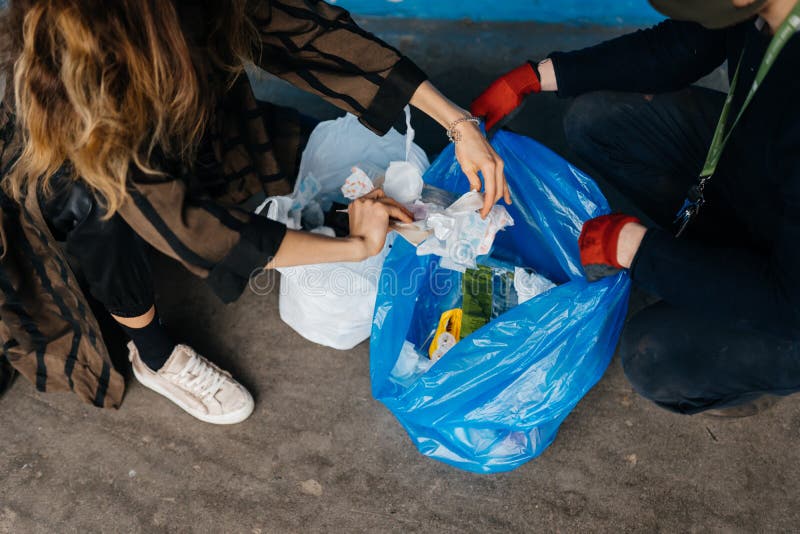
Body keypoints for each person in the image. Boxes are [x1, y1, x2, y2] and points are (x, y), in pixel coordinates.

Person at [0, 0, 508, 422]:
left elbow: (306, 32)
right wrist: (356, 246)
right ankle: (152, 354)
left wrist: (458, 123)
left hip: (165, 89)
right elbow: (187, 225)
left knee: (280, 147)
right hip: (70, 159)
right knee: (101, 211)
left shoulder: (170, 35)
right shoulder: (78, 59)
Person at [472, 0, 800, 416]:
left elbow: (788, 303)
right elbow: (686, 45)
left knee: (654, 358)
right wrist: (536, 76)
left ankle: (744, 380)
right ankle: (715, 250)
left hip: (790, 303)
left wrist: (636, 248)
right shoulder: (763, 9)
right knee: (597, 120)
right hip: (771, 178)